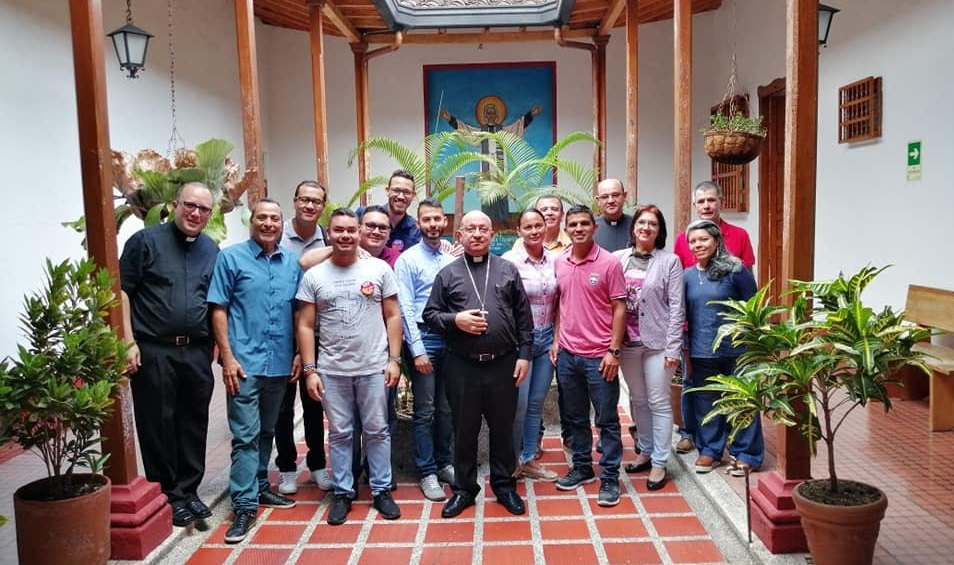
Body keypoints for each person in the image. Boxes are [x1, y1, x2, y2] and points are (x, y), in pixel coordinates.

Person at [119, 182, 219, 528]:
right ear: (175, 205)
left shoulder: (211, 248)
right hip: (155, 350)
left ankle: (189, 491)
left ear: (210, 214)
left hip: (196, 351)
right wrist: (127, 342)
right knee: (157, 423)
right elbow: (122, 291)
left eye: (203, 209)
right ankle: (168, 494)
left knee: (194, 422)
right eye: (190, 205)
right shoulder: (145, 242)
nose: (195, 213)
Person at [296, 208, 404, 526]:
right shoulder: (315, 276)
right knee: (340, 433)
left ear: (359, 233)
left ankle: (381, 490)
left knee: (377, 431)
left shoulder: (379, 269)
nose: (345, 235)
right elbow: (305, 325)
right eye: (338, 230)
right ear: (329, 234)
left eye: (350, 230)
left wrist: (394, 360)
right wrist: (310, 370)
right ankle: (343, 492)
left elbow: (393, 316)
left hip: (373, 366)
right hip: (332, 370)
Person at [423, 211, 534, 519]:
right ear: (459, 235)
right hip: (462, 366)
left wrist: (524, 354)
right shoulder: (447, 274)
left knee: (502, 428)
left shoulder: (507, 269)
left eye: (483, 229)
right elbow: (430, 315)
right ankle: (464, 489)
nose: (476, 234)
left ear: (491, 235)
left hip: (503, 364)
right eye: (470, 229)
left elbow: (524, 318)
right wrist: (455, 320)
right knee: (464, 430)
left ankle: (504, 485)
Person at [208, 198, 301, 544]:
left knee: (267, 430)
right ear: (252, 221)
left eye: (274, 218)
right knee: (245, 435)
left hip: (279, 363)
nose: (268, 224)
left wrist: (297, 354)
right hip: (243, 364)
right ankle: (244, 505)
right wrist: (227, 357)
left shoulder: (291, 263)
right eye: (262, 217)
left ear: (281, 223)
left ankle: (260, 485)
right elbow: (218, 309)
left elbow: (298, 312)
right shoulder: (231, 258)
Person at [549, 204, 626, 507]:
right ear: (566, 229)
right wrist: (557, 340)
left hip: (600, 357)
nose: (578, 229)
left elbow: (619, 307)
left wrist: (614, 351)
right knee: (574, 416)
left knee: (606, 419)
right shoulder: (560, 262)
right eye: (573, 224)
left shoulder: (609, 263)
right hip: (568, 355)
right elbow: (560, 304)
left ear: (595, 227)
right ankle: (582, 468)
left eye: (584, 223)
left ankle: (610, 476)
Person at [672, 180, 756, 456]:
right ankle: (698, 439)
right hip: (697, 335)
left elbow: (750, 296)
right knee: (699, 392)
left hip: (734, 339)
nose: (706, 205)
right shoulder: (684, 248)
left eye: (711, 200)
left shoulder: (738, 246)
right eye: (701, 201)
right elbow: (679, 291)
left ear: (720, 202)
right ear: (694, 205)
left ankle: (741, 448)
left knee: (739, 392)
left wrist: (752, 337)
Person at [612, 205, 684, 491]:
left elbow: (677, 308)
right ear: (634, 227)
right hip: (627, 342)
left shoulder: (670, 261)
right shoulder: (618, 258)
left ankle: (660, 462)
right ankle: (645, 450)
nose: (646, 227)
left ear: (659, 230)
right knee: (639, 399)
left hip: (658, 343)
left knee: (658, 400)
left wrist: (673, 348)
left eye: (653, 224)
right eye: (641, 222)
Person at [683, 219, 763, 475]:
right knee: (706, 403)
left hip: (737, 349)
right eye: (692, 241)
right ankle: (711, 450)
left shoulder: (736, 270)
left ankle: (746, 453)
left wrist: (755, 345)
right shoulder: (687, 276)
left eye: (703, 239)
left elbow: (753, 307)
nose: (697, 245)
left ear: (716, 241)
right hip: (701, 349)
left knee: (742, 400)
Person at [394, 199, 456, 501]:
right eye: (426, 219)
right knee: (426, 409)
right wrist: (416, 349)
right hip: (424, 338)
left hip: (452, 339)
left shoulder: (451, 259)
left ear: (445, 221)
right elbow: (404, 307)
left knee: (447, 407)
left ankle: (445, 463)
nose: (433, 224)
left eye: (437, 219)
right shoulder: (407, 260)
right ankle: (427, 471)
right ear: (418, 224)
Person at [275, 181, 333, 496]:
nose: (310, 206)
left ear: (323, 206)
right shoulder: (277, 234)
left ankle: (318, 465)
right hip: (281, 334)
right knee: (283, 407)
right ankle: (286, 467)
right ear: (295, 201)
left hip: (317, 333)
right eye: (304, 199)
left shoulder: (328, 237)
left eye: (316, 201)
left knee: (314, 404)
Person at [501, 208, 560, 482]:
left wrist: (557, 339)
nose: (534, 231)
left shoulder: (556, 260)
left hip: (547, 339)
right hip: (520, 343)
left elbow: (560, 303)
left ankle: (528, 458)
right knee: (519, 405)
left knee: (536, 403)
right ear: (519, 230)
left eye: (539, 225)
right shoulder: (508, 261)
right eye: (528, 227)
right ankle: (511, 459)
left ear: (545, 227)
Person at [383, 169, 422, 253]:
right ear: (387, 191)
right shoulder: (366, 217)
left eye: (406, 192)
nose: (401, 196)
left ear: (413, 195)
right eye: (396, 190)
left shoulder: (415, 230)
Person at [594, 178, 633, 252]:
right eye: (605, 197)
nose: (610, 201)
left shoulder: (637, 225)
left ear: (624, 196)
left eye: (615, 195)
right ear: (598, 200)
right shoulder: (590, 228)